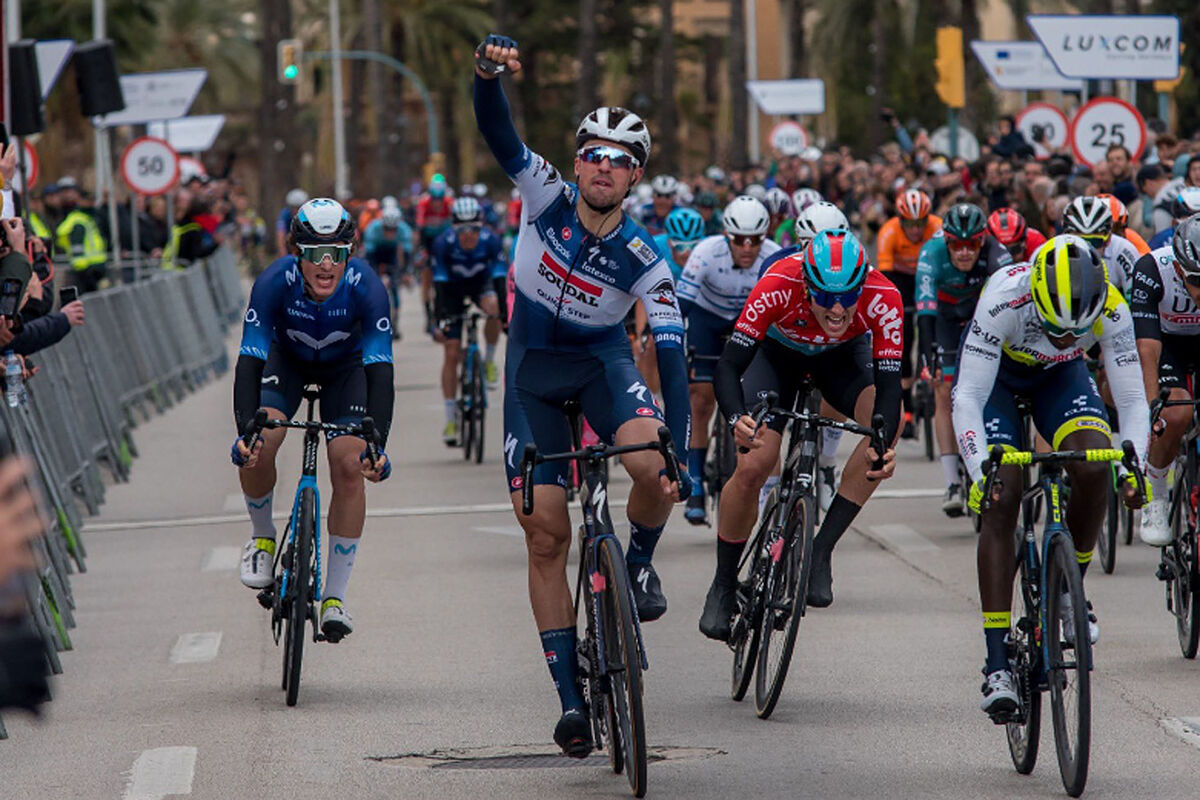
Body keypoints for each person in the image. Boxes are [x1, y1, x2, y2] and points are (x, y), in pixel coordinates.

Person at [474, 34, 691, 759]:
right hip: (533, 372)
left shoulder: (647, 258)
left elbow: (671, 353)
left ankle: (638, 562)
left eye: (620, 160)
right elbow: (499, 132)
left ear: (636, 177)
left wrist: (684, 453)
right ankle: (571, 700)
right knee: (545, 533)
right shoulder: (543, 195)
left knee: (656, 467)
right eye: (594, 154)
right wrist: (486, 78)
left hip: (601, 366)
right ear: (575, 162)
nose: (604, 167)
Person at [952, 235, 1149, 715]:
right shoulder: (1004, 298)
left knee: (1094, 464)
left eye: (1075, 331)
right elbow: (967, 398)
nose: (1066, 337)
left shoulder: (1111, 306)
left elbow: (1131, 401)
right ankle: (997, 662)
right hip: (997, 380)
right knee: (1002, 494)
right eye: (1056, 327)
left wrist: (1134, 468)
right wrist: (978, 473)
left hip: (1061, 379)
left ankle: (1067, 589)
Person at [699, 229, 902, 642]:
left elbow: (890, 385)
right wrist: (736, 417)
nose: (838, 309)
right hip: (777, 357)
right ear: (807, 285)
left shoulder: (884, 295)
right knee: (755, 463)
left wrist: (881, 444)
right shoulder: (778, 282)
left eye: (848, 296)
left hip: (841, 360)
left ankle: (821, 549)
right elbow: (728, 366)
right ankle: (723, 583)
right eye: (825, 296)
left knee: (886, 431)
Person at [231, 198, 394, 642]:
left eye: (337, 253)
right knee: (261, 440)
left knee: (349, 464)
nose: (326, 264)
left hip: (347, 370)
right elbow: (249, 362)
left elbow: (381, 373)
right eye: (316, 253)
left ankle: (334, 597)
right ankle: (262, 537)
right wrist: (245, 432)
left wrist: (377, 446)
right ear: (296, 253)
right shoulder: (273, 282)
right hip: (287, 362)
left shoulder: (367, 287)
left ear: (349, 253)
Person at [677, 196, 782, 525]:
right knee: (700, 399)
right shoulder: (705, 252)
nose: (747, 248)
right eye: (739, 240)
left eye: (755, 240)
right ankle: (695, 481)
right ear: (726, 236)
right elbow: (681, 305)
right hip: (707, 320)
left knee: (754, 397)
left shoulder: (774, 256)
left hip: (748, 323)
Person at [915, 203, 1012, 515]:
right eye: (957, 245)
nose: (965, 252)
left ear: (983, 240)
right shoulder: (931, 254)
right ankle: (952, 482)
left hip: (981, 315)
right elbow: (924, 312)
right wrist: (928, 357)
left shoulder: (997, 253)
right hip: (944, 318)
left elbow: (1010, 301)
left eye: (972, 244)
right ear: (946, 242)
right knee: (943, 390)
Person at [1131, 215, 1200, 545]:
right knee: (1176, 412)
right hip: (1166, 343)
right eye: (1197, 280)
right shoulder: (1151, 268)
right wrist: (1153, 409)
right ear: (1178, 269)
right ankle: (1156, 495)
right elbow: (1147, 348)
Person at [432, 196, 506, 443]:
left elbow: (500, 280)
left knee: (494, 306)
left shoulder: (491, 240)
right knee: (451, 352)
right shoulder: (443, 243)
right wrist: (439, 319)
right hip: (452, 291)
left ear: (480, 227)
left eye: (473, 229)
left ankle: (489, 361)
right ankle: (450, 419)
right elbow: (439, 286)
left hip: (480, 285)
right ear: (454, 228)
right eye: (462, 229)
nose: (468, 235)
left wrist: (504, 316)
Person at [875, 189, 942, 438]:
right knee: (903, 335)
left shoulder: (937, 228)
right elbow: (886, 279)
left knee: (932, 324)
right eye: (910, 224)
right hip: (900, 278)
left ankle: (930, 372)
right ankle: (908, 407)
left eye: (920, 223)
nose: (915, 230)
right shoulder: (889, 231)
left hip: (930, 275)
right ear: (901, 221)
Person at [1061, 196, 1141, 298]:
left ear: (1108, 240)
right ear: (1065, 238)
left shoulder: (1123, 249)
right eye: (1079, 242)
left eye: (1095, 241)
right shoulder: (1051, 251)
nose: (1086, 249)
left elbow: (1136, 299)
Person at [363, 206, 412, 337]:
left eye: (393, 229)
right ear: (382, 225)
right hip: (375, 254)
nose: (390, 232)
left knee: (395, 288)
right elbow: (369, 256)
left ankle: (395, 323)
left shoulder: (404, 230)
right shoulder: (372, 229)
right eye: (387, 229)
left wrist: (406, 272)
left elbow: (407, 254)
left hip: (392, 255)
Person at [53, 181, 107, 294]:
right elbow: (77, 250)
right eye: (88, 200)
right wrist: (84, 272)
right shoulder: (79, 220)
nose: (91, 203)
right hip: (85, 270)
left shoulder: (87, 217)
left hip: (91, 268)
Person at [275, 188, 308, 256]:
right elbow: (280, 235)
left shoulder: (309, 215)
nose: (297, 211)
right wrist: (283, 254)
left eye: (300, 207)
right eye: (294, 208)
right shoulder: (284, 214)